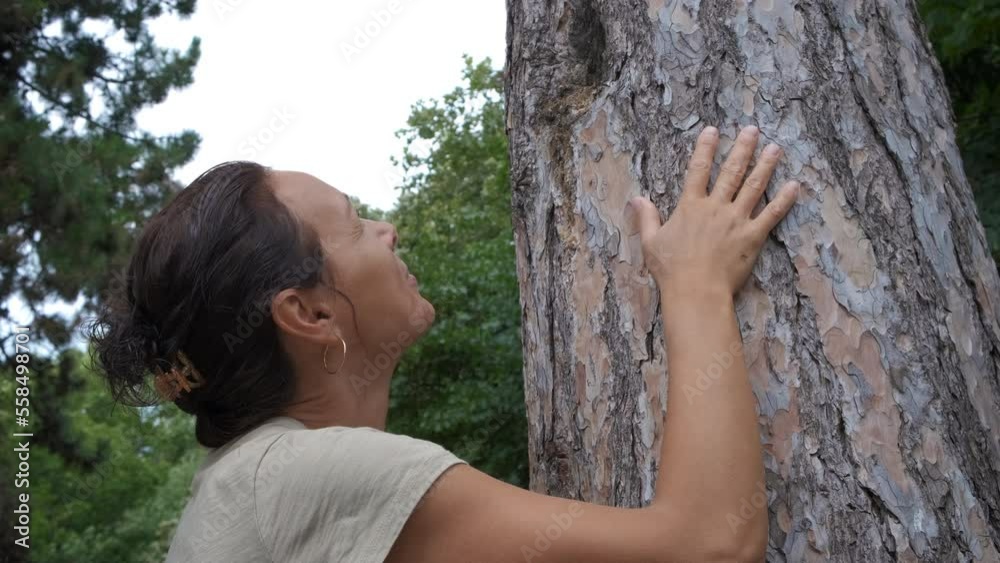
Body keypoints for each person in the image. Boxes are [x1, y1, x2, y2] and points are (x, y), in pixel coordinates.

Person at [88, 124, 798, 562]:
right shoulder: (296, 473)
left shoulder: (253, 479)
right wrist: (697, 282)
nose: (386, 229)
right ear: (308, 313)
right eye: (355, 222)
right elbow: (708, 544)